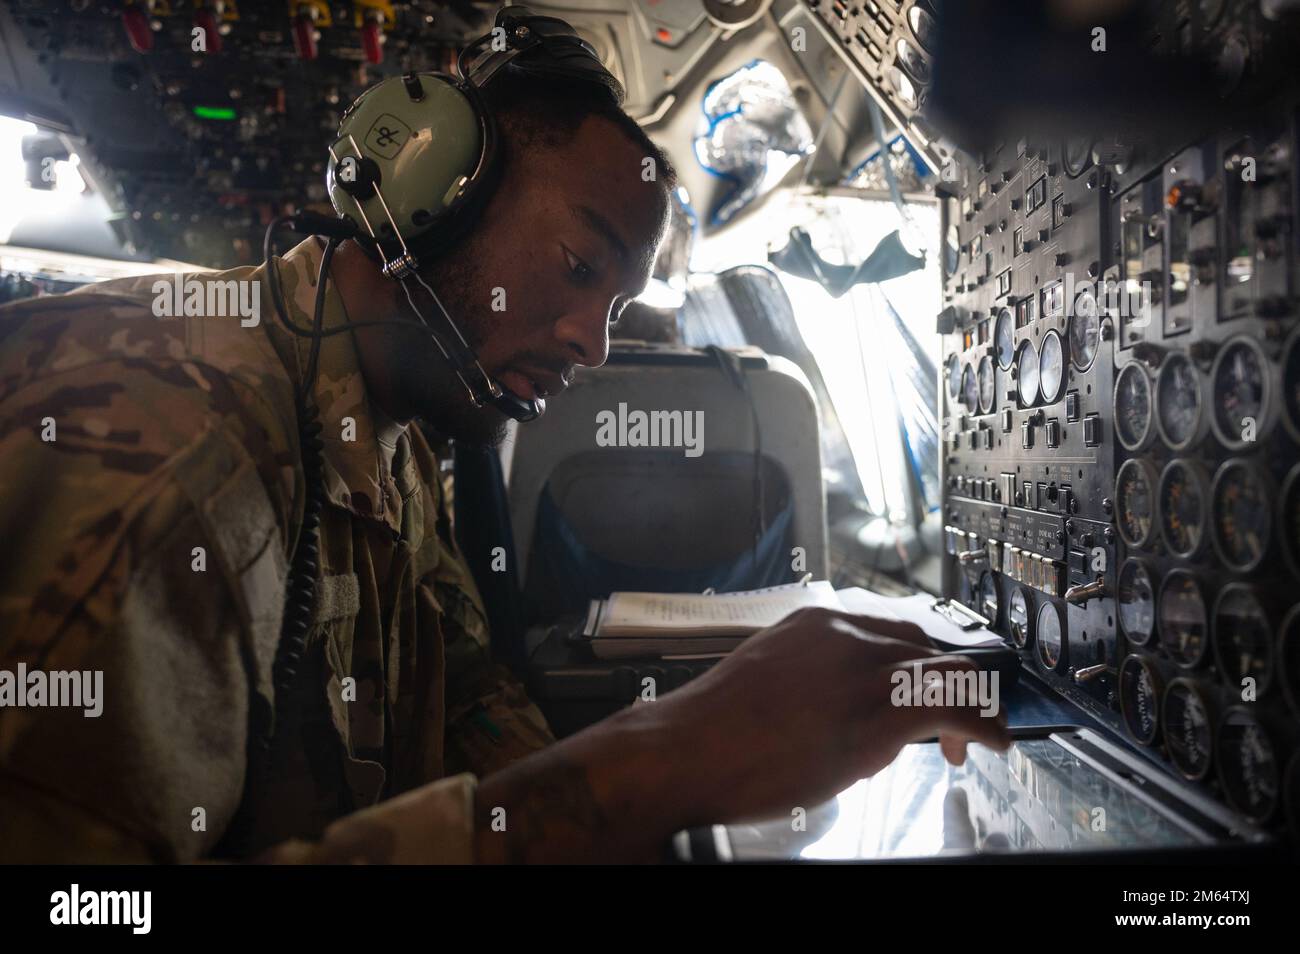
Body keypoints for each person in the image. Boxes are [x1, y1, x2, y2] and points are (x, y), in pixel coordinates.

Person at [0, 15, 1008, 865]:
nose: (593, 343)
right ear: (424, 197)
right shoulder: (172, 455)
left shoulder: (391, 428)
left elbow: (472, 693)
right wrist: (650, 765)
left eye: (619, 304)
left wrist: (675, 774)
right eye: (578, 265)